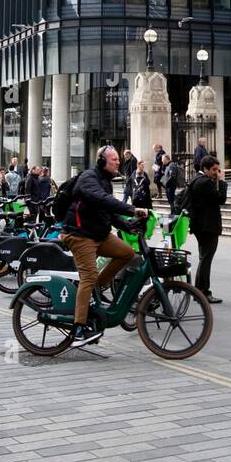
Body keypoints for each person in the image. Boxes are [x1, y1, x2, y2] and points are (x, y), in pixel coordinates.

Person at [61, 146, 148, 347]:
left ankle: (98, 288)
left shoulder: (105, 181)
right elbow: (102, 200)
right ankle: (78, 328)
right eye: (114, 159)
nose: (118, 162)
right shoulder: (89, 179)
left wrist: (128, 225)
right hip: (79, 234)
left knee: (126, 253)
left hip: (98, 233)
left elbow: (107, 211)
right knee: (88, 276)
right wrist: (132, 209)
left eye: (118, 159)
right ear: (102, 162)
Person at [187, 155, 227, 302]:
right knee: (206, 259)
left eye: (218, 170)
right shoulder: (204, 182)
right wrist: (221, 182)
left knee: (204, 257)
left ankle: (200, 291)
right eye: (214, 170)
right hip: (207, 226)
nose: (216, 172)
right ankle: (203, 291)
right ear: (205, 168)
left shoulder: (197, 180)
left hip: (200, 226)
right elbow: (220, 198)